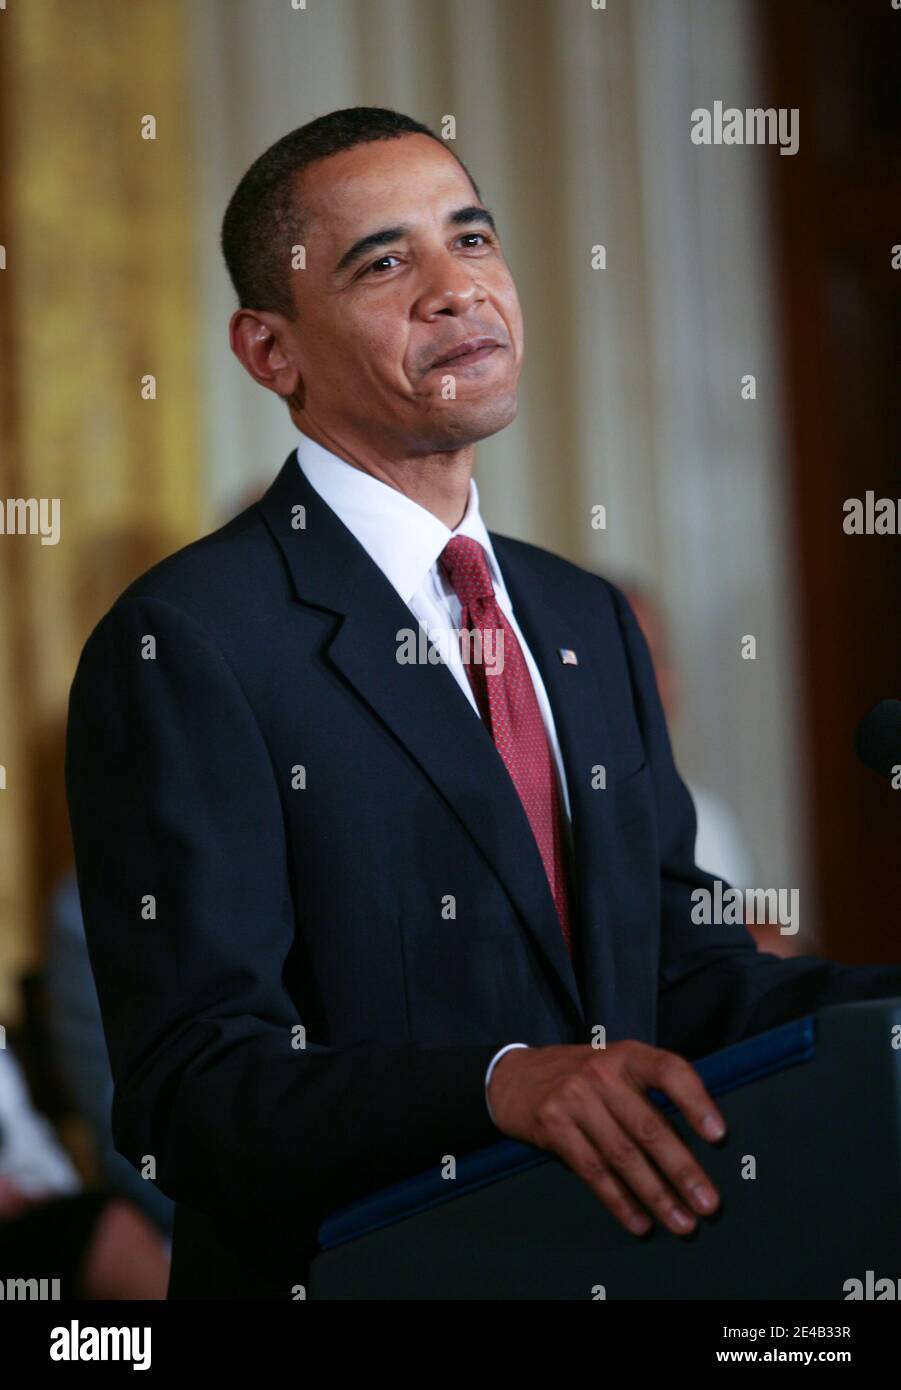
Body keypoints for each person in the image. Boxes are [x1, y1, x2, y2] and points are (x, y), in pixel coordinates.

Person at [65, 107, 901, 1299]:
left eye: (472, 238)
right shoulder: (190, 642)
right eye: (385, 261)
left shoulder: (581, 618)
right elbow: (194, 1090)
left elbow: (681, 976)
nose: (457, 290)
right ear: (268, 350)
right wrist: (502, 1081)